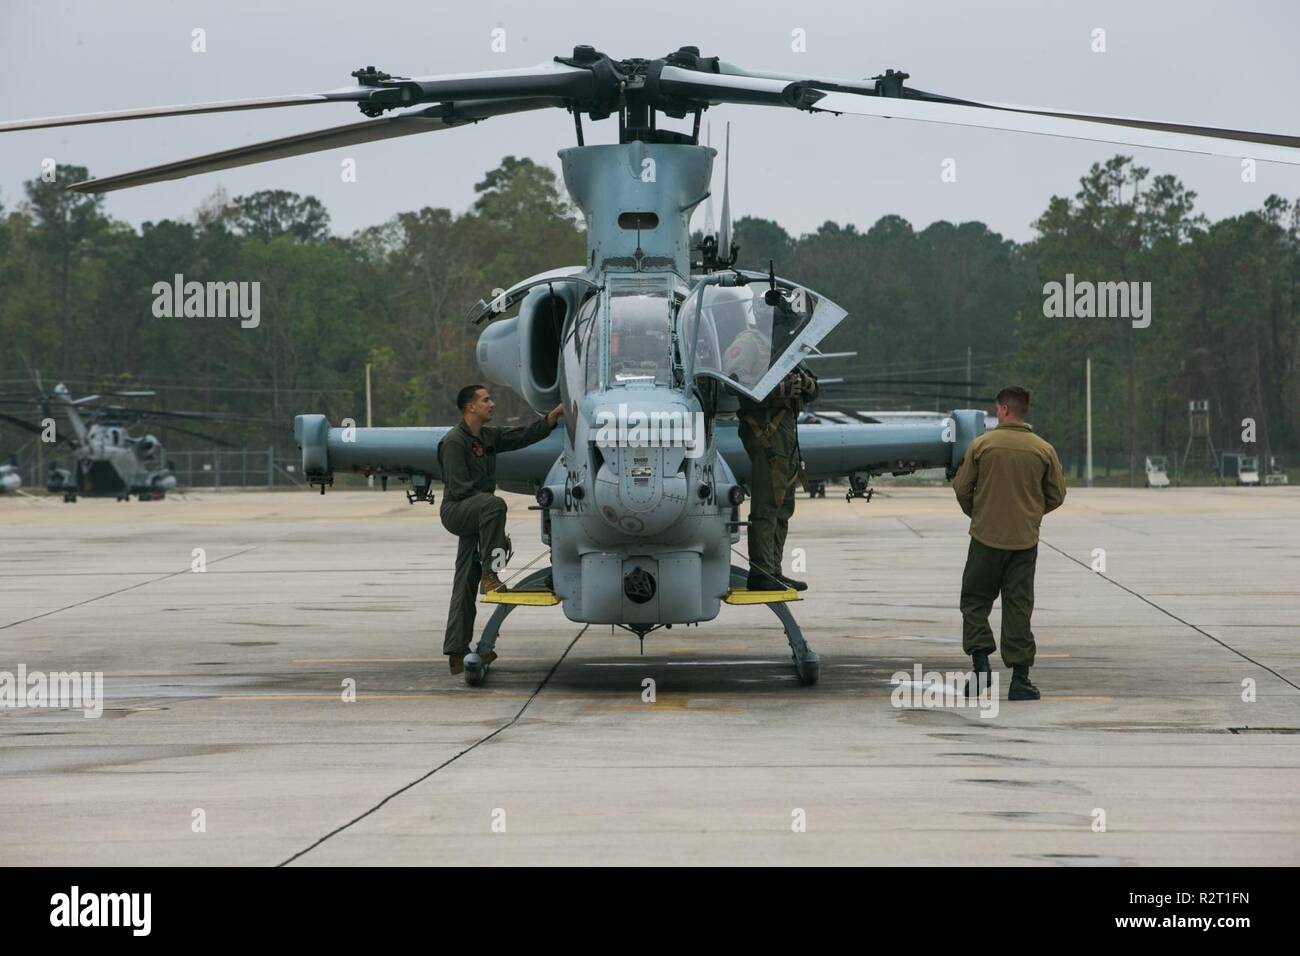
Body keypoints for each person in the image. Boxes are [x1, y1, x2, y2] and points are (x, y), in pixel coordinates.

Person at [951, 385, 1067, 700]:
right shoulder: (1044, 450)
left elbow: (962, 489)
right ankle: (1020, 681)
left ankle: (980, 670)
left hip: (985, 539)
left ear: (1003, 409)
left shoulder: (982, 445)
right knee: (1018, 606)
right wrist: (1029, 514)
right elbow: (1056, 495)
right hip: (1024, 542)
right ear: (1023, 410)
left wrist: (979, 513)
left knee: (974, 602)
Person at [438, 385, 563, 674]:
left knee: (465, 579)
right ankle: (491, 576)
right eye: (485, 400)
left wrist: (552, 417)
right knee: (494, 504)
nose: (492, 404)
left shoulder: (488, 437)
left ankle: (457, 651)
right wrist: (489, 527)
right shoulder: (454, 442)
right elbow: (459, 490)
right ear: (470, 407)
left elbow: (521, 436)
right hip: (458, 509)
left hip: (478, 512)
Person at [723, 297, 818, 592]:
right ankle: (762, 571)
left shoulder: (786, 350)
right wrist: (781, 388)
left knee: (783, 504)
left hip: (785, 435)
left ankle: (774, 569)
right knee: (767, 503)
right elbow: (732, 382)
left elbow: (813, 386)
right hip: (764, 432)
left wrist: (802, 386)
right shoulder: (750, 343)